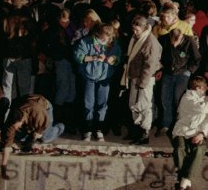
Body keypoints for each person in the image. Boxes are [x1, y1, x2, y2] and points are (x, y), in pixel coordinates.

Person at [74, 23, 121, 142]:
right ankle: (88, 130)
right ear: (97, 34)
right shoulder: (86, 42)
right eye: (103, 37)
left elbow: (118, 58)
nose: (105, 40)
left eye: (108, 38)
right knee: (88, 104)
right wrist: (93, 57)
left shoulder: (112, 44)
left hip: (105, 78)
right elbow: (78, 57)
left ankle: (99, 130)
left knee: (102, 104)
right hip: (89, 77)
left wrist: (114, 59)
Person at [172, 75, 208, 190]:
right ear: (197, 88)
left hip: (197, 132)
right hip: (182, 130)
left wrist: (202, 133)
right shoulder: (187, 97)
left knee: (199, 149)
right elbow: (200, 109)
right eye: (205, 86)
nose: (207, 87)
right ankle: (183, 180)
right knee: (180, 149)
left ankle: (186, 179)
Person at [1, 94, 65, 179]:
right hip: (28, 113)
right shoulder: (12, 121)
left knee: (45, 138)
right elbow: (7, 145)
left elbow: (42, 126)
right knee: (16, 137)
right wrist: (3, 168)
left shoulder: (36, 111)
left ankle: (60, 127)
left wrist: (33, 138)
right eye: (13, 127)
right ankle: (29, 130)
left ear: (21, 119)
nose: (14, 128)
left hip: (44, 110)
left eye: (16, 126)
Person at [124, 16, 162, 144]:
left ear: (144, 28)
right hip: (135, 76)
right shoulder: (137, 38)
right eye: (133, 30)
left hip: (144, 79)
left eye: (136, 30)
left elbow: (149, 65)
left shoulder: (150, 42)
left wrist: (143, 83)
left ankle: (144, 133)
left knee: (144, 106)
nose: (134, 33)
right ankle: (136, 130)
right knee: (133, 105)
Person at [157, 28, 201, 134]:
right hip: (168, 72)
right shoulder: (164, 39)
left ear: (181, 37)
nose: (175, 45)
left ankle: (179, 124)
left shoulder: (189, 41)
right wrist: (161, 69)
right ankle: (166, 124)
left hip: (183, 73)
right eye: (173, 42)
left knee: (178, 98)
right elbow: (160, 56)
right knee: (165, 98)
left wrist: (189, 70)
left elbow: (197, 58)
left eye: (177, 42)